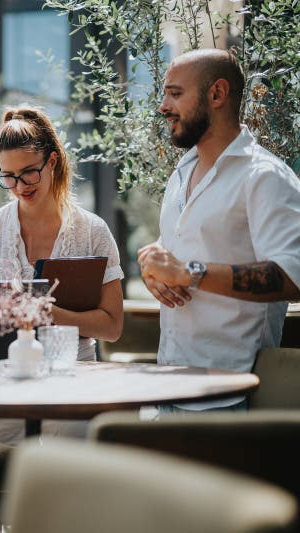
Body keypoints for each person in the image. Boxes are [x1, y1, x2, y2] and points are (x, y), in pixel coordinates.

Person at [137, 49, 300, 412]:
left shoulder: (265, 177)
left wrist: (189, 272)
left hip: (231, 395)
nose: (163, 106)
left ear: (217, 94)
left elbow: (293, 277)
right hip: (169, 386)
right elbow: (179, 252)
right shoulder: (181, 174)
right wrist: (152, 268)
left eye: (175, 93)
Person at [0, 105, 124, 441]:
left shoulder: (92, 231)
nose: (19, 186)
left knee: (67, 468)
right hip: (4, 387)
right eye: (8, 176)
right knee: (4, 465)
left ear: (52, 161)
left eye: (29, 173)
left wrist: (47, 313)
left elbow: (112, 326)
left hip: (76, 386)